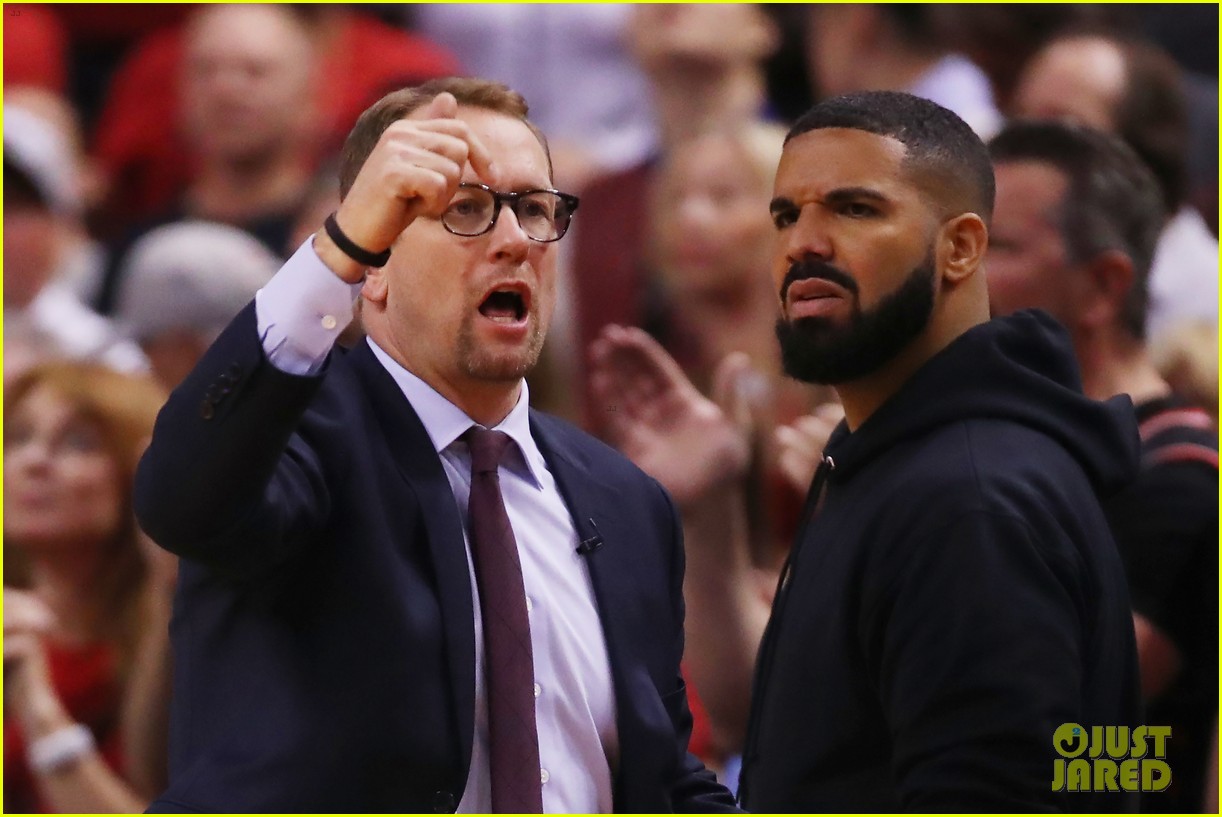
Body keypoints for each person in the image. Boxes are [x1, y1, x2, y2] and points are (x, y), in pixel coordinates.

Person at [132, 76, 738, 813]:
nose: (515, 239)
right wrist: (336, 252)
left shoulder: (624, 495)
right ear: (374, 264)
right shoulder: (294, 438)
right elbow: (181, 498)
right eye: (468, 210)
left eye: (535, 209)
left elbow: (660, 778)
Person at [592, 90, 1144, 810]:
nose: (804, 243)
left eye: (855, 208)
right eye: (786, 214)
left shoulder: (969, 500)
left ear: (962, 247)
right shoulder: (890, 458)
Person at [987, 119, 1218, 812]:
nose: (951, 274)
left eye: (996, 246)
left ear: (1104, 286)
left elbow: (1058, 740)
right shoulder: (993, 453)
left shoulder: (1181, 481)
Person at [4, 362, 174, 813]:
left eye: (79, 443)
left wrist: (37, 710)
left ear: (136, 474)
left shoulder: (168, 642)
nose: (33, 461)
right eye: (17, 438)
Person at [1011, 28, 1218, 343]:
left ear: (1138, 150)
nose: (1023, 150)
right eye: (1017, 121)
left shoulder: (1205, 298)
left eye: (1061, 127)